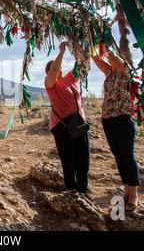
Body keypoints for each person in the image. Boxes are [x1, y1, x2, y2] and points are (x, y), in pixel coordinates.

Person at [92, 50, 139, 210]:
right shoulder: (109, 71)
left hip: (123, 117)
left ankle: (134, 195)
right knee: (118, 156)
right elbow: (94, 57)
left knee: (127, 156)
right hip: (107, 118)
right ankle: (127, 189)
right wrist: (87, 39)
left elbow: (112, 58)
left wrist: (105, 45)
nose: (110, 58)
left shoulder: (127, 72)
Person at [44, 42, 90, 194]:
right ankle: (71, 188)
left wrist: (80, 46)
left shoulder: (70, 79)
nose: (58, 68)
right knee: (68, 157)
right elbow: (55, 69)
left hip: (78, 122)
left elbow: (81, 64)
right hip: (61, 125)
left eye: (58, 67)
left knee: (83, 156)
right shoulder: (50, 84)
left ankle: (82, 189)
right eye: (54, 67)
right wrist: (62, 52)